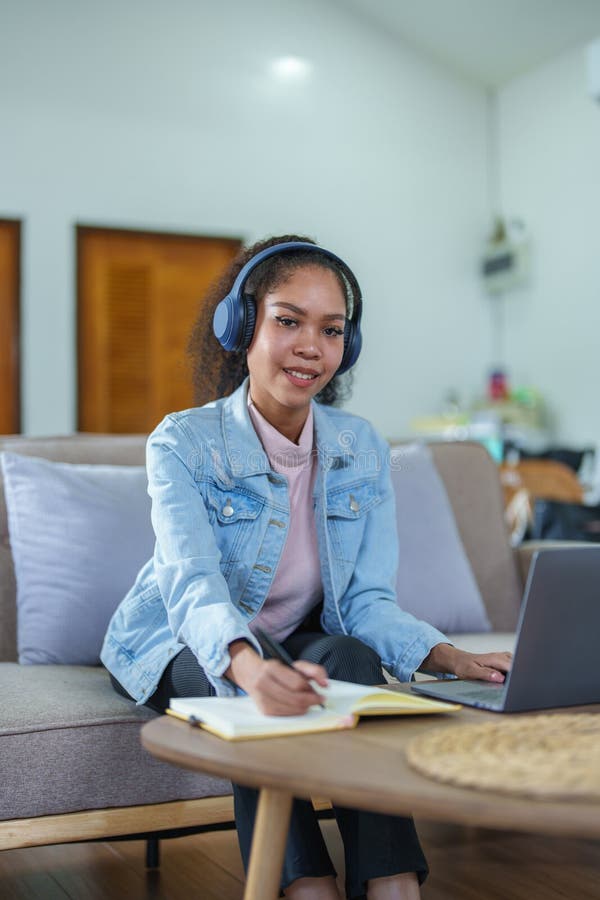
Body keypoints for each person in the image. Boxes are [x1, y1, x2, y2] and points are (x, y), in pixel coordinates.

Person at [101, 235, 512, 900]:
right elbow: (193, 584)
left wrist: (446, 656)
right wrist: (251, 666)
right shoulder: (181, 441)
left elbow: (367, 600)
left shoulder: (361, 448)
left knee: (349, 654)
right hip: (182, 643)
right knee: (250, 672)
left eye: (331, 330)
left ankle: (392, 883)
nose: (310, 346)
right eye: (288, 321)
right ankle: (304, 886)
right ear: (242, 328)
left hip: (293, 645)